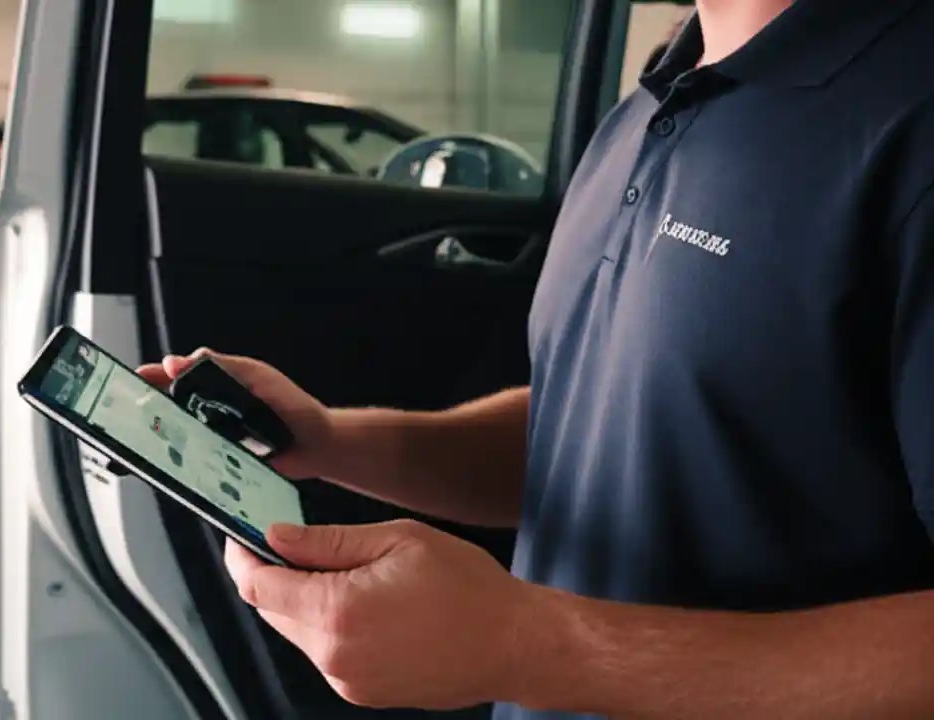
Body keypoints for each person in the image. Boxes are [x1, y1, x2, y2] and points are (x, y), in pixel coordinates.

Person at [138, 1, 934, 717]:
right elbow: (604, 430)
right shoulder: (650, 109)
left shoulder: (908, 119)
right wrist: (336, 441)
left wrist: (525, 645)